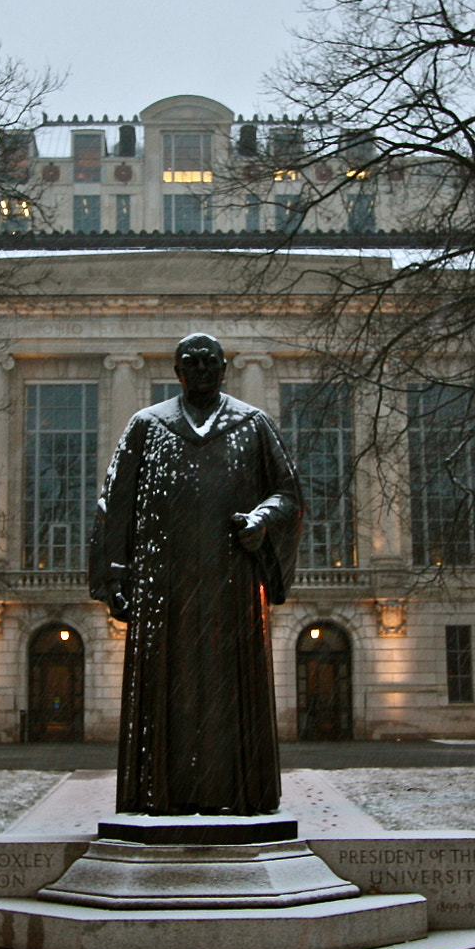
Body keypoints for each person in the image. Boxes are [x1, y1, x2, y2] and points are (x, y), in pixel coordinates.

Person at [89, 333, 304, 815]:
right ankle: (163, 794)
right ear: (177, 370)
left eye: (211, 361)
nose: (202, 369)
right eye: (192, 361)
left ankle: (238, 793)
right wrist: (116, 577)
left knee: (232, 695)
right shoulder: (146, 425)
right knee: (168, 693)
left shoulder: (253, 424)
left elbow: (288, 494)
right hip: (164, 585)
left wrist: (260, 522)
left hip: (233, 584)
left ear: (224, 368)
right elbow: (115, 503)